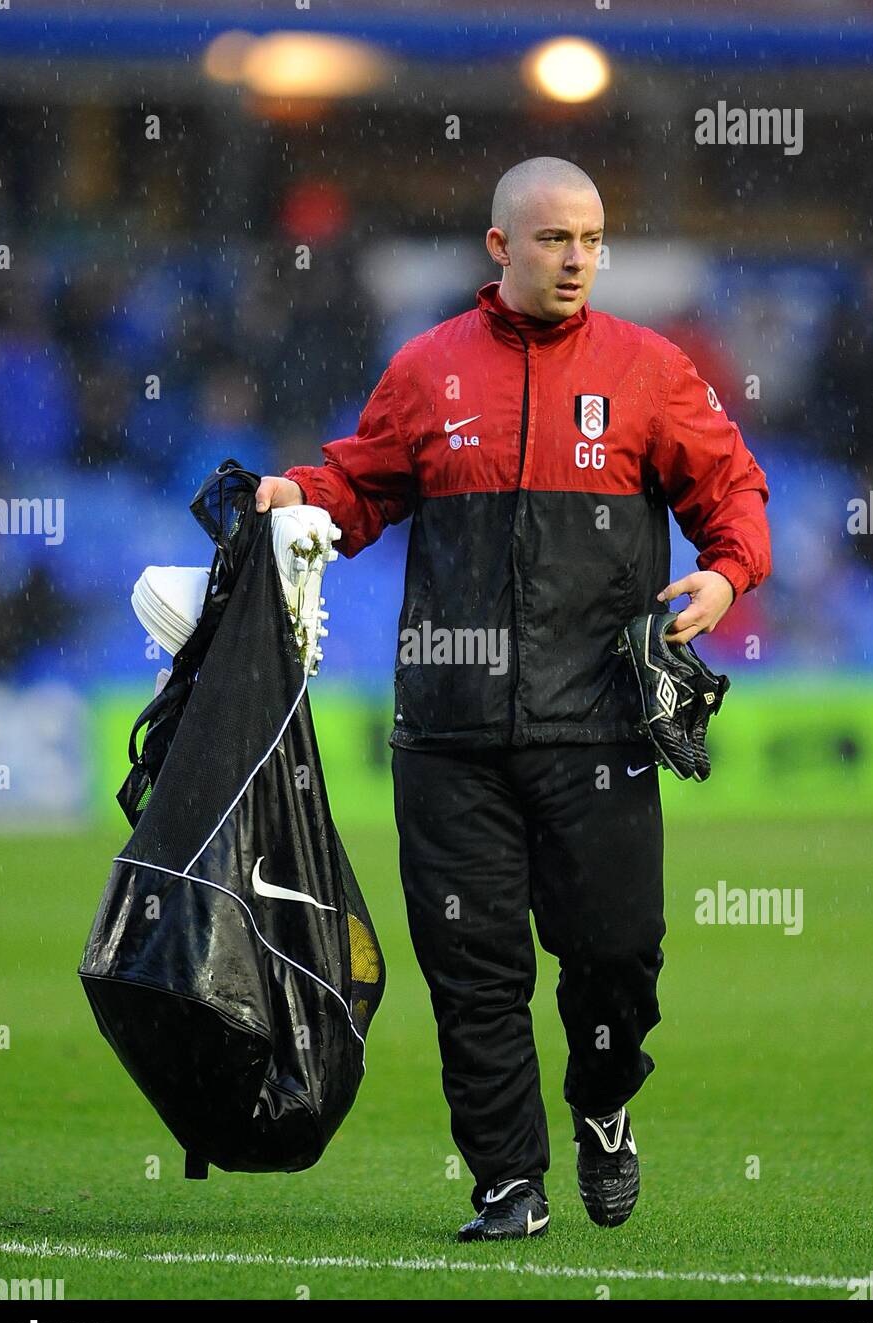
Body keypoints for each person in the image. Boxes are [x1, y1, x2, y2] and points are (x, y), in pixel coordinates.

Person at [255, 156, 771, 1242]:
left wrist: (725, 573)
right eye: (552, 239)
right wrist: (294, 496)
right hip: (447, 734)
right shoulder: (424, 370)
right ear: (500, 248)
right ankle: (505, 1183)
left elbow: (729, 487)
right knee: (472, 973)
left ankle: (603, 1104)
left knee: (616, 954)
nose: (576, 257)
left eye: (589, 239)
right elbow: (357, 489)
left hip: (598, 728)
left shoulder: (648, 370)